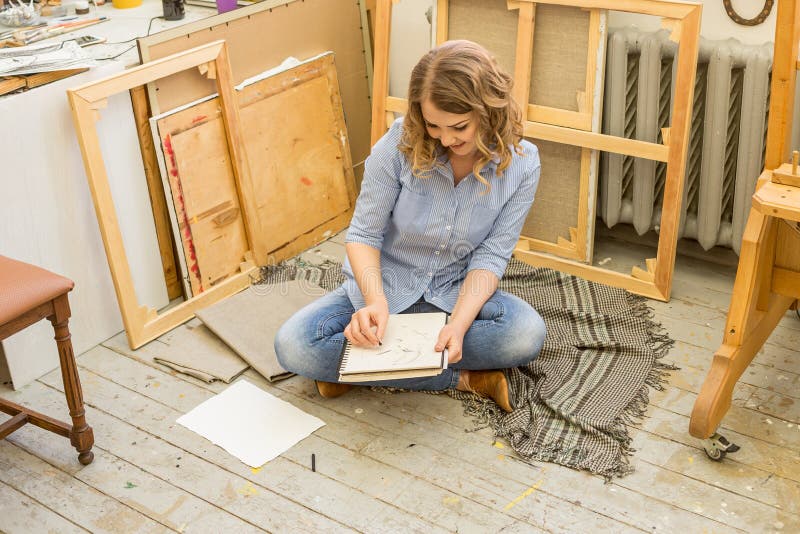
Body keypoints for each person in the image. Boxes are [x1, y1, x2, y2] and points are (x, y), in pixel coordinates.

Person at [275, 40, 546, 412]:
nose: (446, 139)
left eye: (459, 127)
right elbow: (363, 234)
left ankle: (355, 368)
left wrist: (461, 325)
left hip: (454, 292)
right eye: (434, 125)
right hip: (385, 289)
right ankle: (466, 379)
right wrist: (375, 303)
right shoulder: (398, 144)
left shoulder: (523, 164)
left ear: (488, 111)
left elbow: (492, 255)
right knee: (294, 345)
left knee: (525, 335)